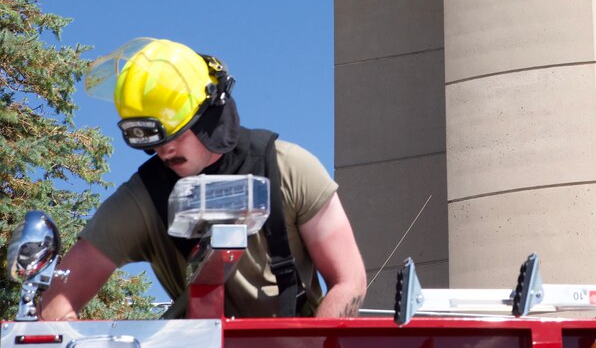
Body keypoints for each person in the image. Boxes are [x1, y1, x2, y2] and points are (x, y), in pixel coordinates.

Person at [39, 37, 367, 320]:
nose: (164, 150)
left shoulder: (290, 170)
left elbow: (349, 280)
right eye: (153, 142)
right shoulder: (143, 199)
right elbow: (56, 303)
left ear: (209, 115)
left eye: (176, 135)